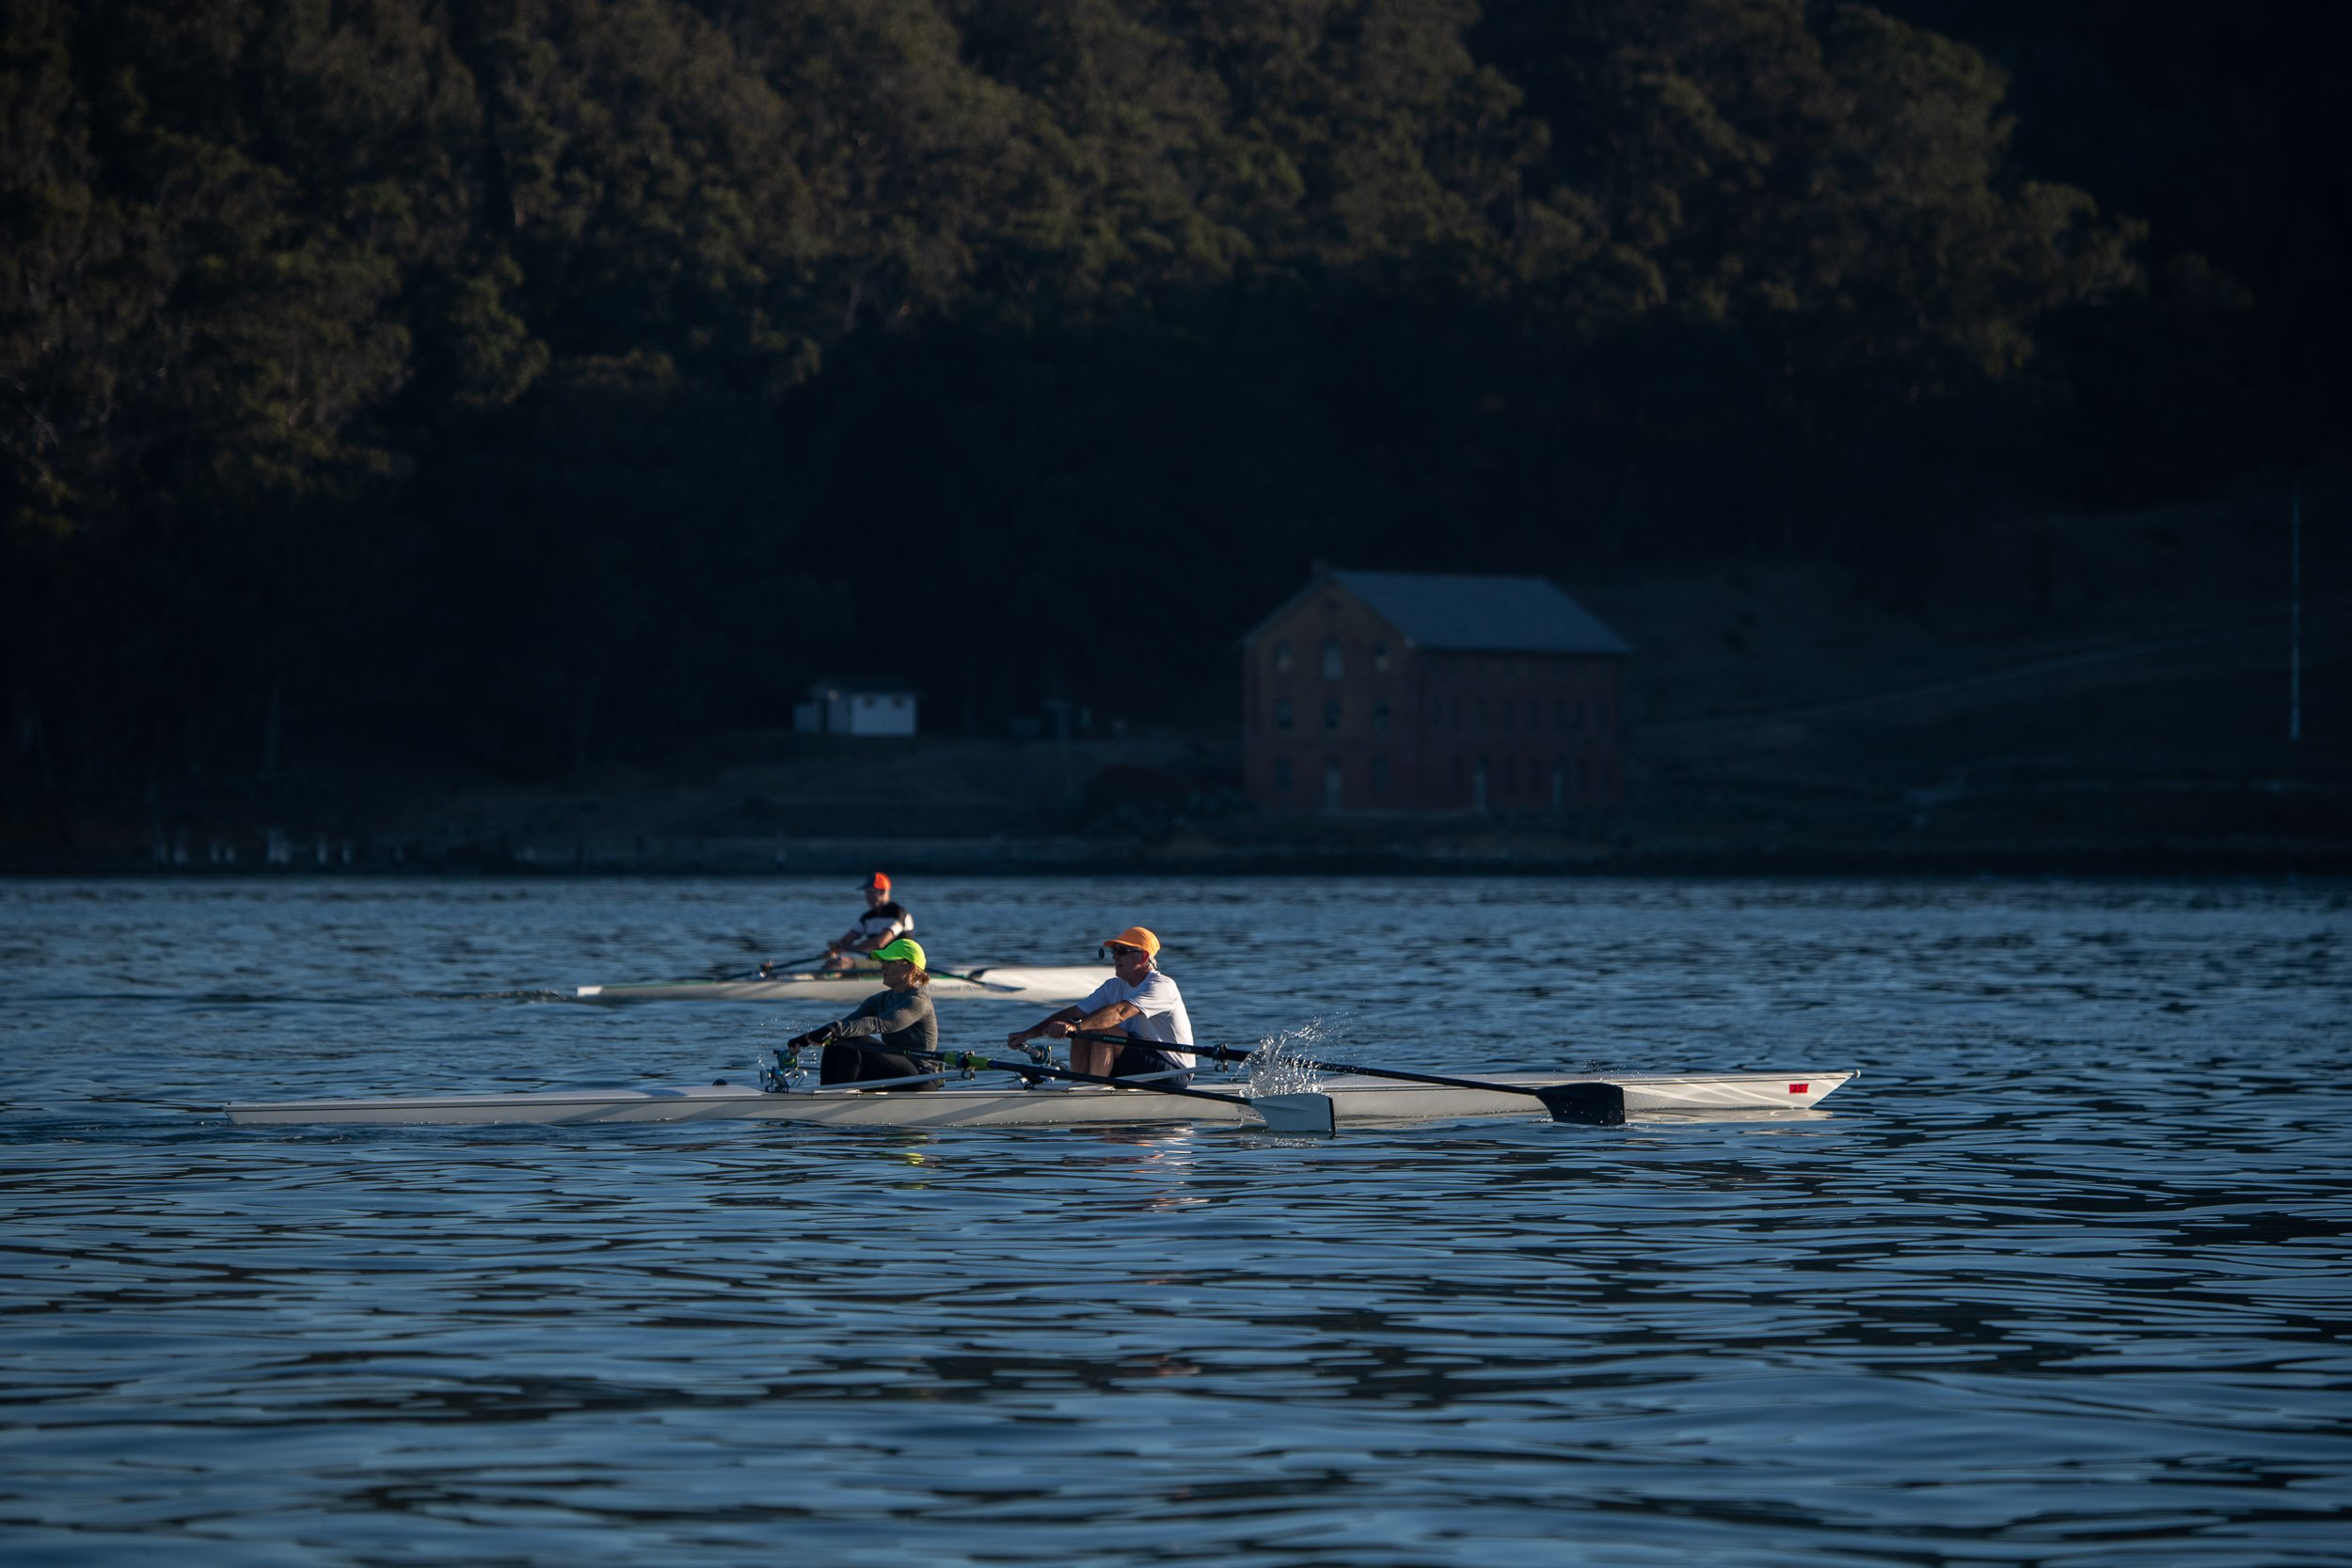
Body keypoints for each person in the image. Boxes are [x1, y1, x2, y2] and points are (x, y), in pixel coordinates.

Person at [1006, 926, 1194, 1087]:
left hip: (1172, 1072)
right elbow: (1074, 1013)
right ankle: (1079, 1086)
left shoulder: (1161, 986)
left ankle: (1092, 1092)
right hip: (1135, 1062)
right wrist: (1028, 1034)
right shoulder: (1113, 987)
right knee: (1082, 1028)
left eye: (1121, 951)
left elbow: (1120, 1013)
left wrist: (1076, 1025)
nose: (1114, 957)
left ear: (1143, 957)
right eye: (1113, 952)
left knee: (1101, 1029)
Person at [787, 938, 941, 1090]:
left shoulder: (917, 1001)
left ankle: (838, 1098)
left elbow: (885, 1024)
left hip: (922, 1078)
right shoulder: (879, 1000)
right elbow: (845, 1024)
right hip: (895, 1071)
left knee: (853, 1038)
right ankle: (827, 1093)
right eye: (883, 961)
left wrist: (834, 1029)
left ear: (910, 969)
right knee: (837, 1039)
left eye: (890, 962)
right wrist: (806, 1039)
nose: (883, 966)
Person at [778, 872, 911, 974]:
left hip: (899, 966)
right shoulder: (867, 917)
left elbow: (880, 942)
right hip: (878, 965)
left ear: (883, 892)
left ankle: (808, 985)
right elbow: (846, 941)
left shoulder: (899, 913)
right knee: (834, 964)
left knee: (842, 963)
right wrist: (835, 949)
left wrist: (847, 949)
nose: (867, 897)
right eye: (866, 893)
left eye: (871, 893)